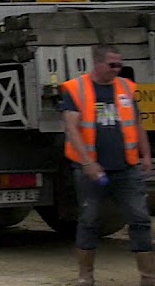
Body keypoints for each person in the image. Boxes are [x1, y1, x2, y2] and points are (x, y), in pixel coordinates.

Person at [61, 44, 154, 286]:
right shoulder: (77, 89)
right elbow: (72, 129)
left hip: (127, 168)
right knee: (89, 220)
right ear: (98, 63)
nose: (117, 69)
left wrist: (146, 155)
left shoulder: (125, 87)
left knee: (140, 218)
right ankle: (86, 276)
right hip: (90, 171)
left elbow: (137, 123)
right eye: (112, 65)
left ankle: (148, 277)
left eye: (120, 65)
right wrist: (88, 163)